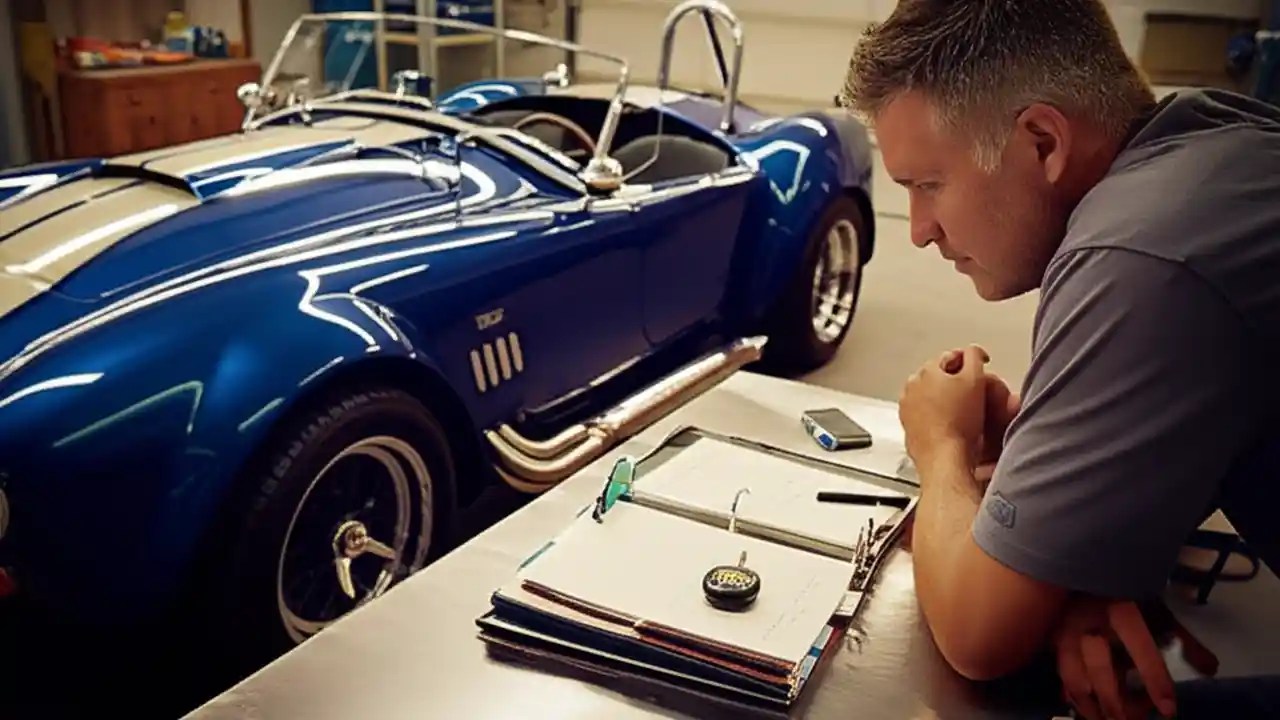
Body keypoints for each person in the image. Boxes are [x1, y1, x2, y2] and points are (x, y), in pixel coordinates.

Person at [839, 1, 1280, 718]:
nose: (919, 233)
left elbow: (980, 636)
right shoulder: (1217, 150)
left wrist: (939, 447)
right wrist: (1065, 568)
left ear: (1042, 141)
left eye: (928, 185)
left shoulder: (1138, 253)